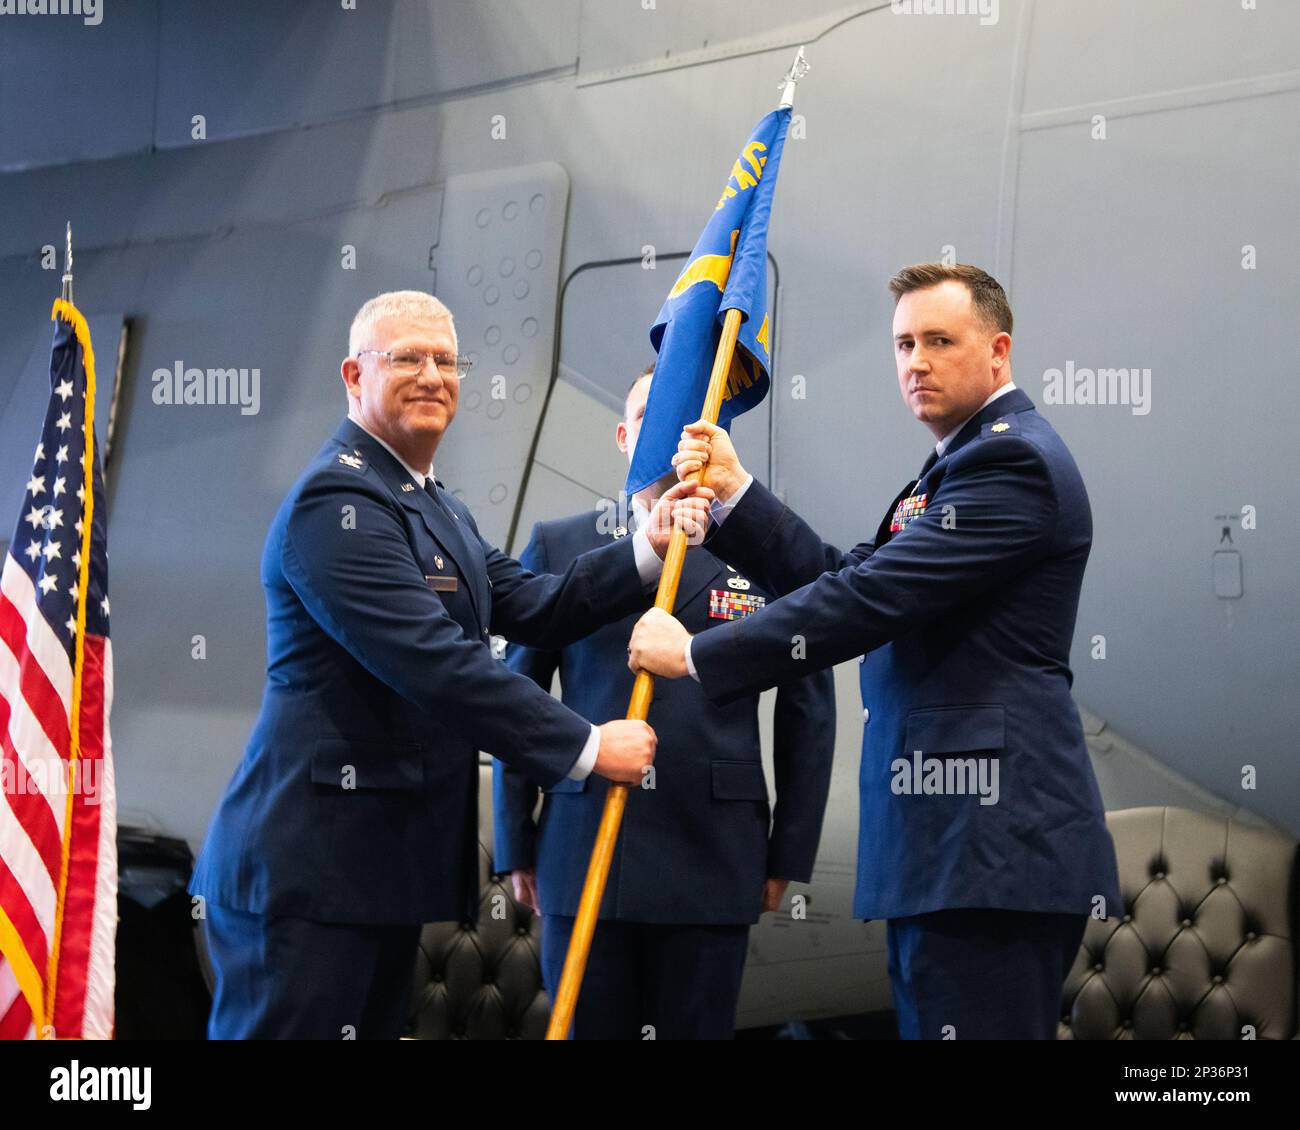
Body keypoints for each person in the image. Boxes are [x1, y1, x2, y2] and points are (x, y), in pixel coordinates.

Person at [189, 291, 712, 1039]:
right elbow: (435, 664)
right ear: (353, 376)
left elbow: (536, 603)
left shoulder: (432, 504)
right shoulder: (337, 499)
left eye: (446, 359)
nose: (433, 373)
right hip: (308, 875)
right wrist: (589, 748)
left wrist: (647, 547)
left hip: (371, 875)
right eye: (407, 357)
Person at [629, 263, 1121, 1040]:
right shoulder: (960, 463)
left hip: (988, 852)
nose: (915, 361)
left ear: (998, 352)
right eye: (902, 344)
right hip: (950, 854)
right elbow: (856, 577)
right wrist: (735, 493)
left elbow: (867, 601)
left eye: (938, 341)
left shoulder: (1010, 462)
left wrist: (698, 656)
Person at [493, 366, 835, 1040]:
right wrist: (514, 840)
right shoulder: (562, 545)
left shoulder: (764, 550)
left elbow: (809, 709)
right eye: (650, 413)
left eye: (685, 415)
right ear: (624, 436)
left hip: (712, 855)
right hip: (583, 842)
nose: (667, 428)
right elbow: (516, 697)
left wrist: (786, 854)